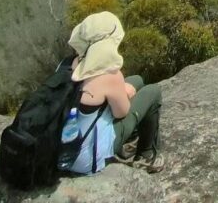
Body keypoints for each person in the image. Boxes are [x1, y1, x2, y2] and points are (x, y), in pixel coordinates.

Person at [66, 11, 164, 174]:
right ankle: (146, 155)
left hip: (65, 143)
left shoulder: (67, 65)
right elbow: (121, 113)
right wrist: (123, 92)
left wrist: (121, 88)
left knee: (136, 79)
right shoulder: (110, 76)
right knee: (152, 92)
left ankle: (127, 145)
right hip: (85, 159)